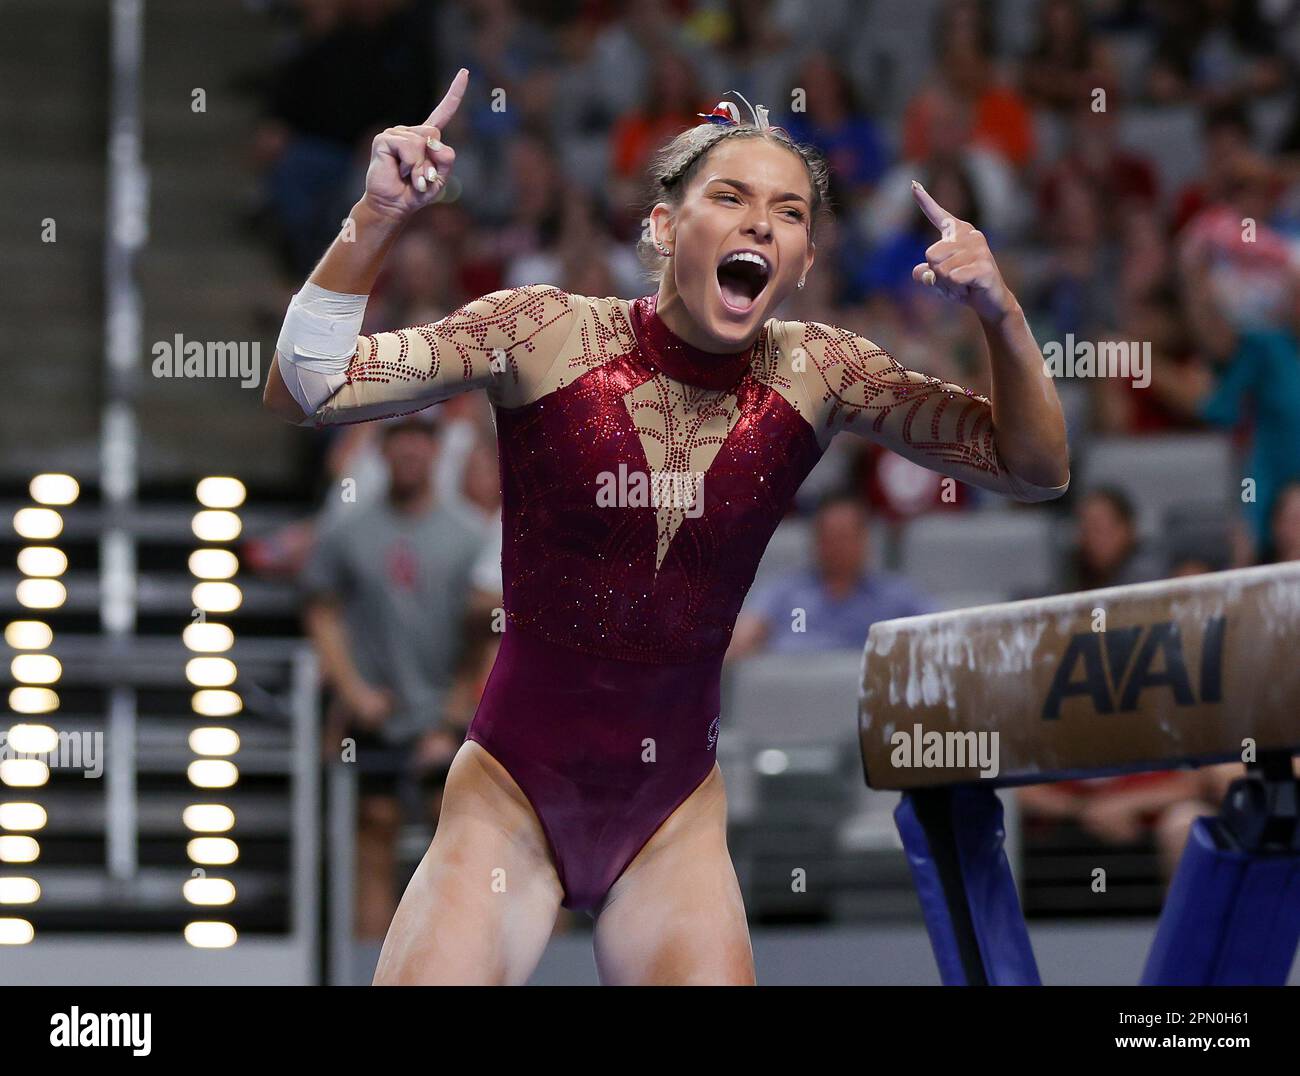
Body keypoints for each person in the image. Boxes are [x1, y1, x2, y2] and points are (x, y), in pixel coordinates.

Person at [264, 70, 1071, 985]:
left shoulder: (823, 373)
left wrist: (1002, 315)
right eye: (728, 197)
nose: (761, 222)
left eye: (790, 212)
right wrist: (373, 218)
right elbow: (306, 387)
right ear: (660, 227)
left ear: (804, 261)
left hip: (671, 818)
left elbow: (1035, 468)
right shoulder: (545, 332)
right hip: (511, 798)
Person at [299, 411, 483, 942]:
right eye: (399, 441)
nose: (409, 452)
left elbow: (490, 634)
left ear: (435, 451)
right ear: (381, 451)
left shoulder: (470, 535)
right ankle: (366, 970)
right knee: (372, 836)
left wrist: (456, 710)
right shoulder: (349, 532)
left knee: (455, 844)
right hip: (377, 716)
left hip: (450, 718)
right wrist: (352, 688)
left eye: (420, 442)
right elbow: (320, 607)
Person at [728, 495, 934, 658]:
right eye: (827, 538)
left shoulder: (896, 596)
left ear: (864, 540)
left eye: (843, 537)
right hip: (796, 701)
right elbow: (741, 639)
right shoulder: (783, 593)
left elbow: (938, 636)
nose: (835, 547)